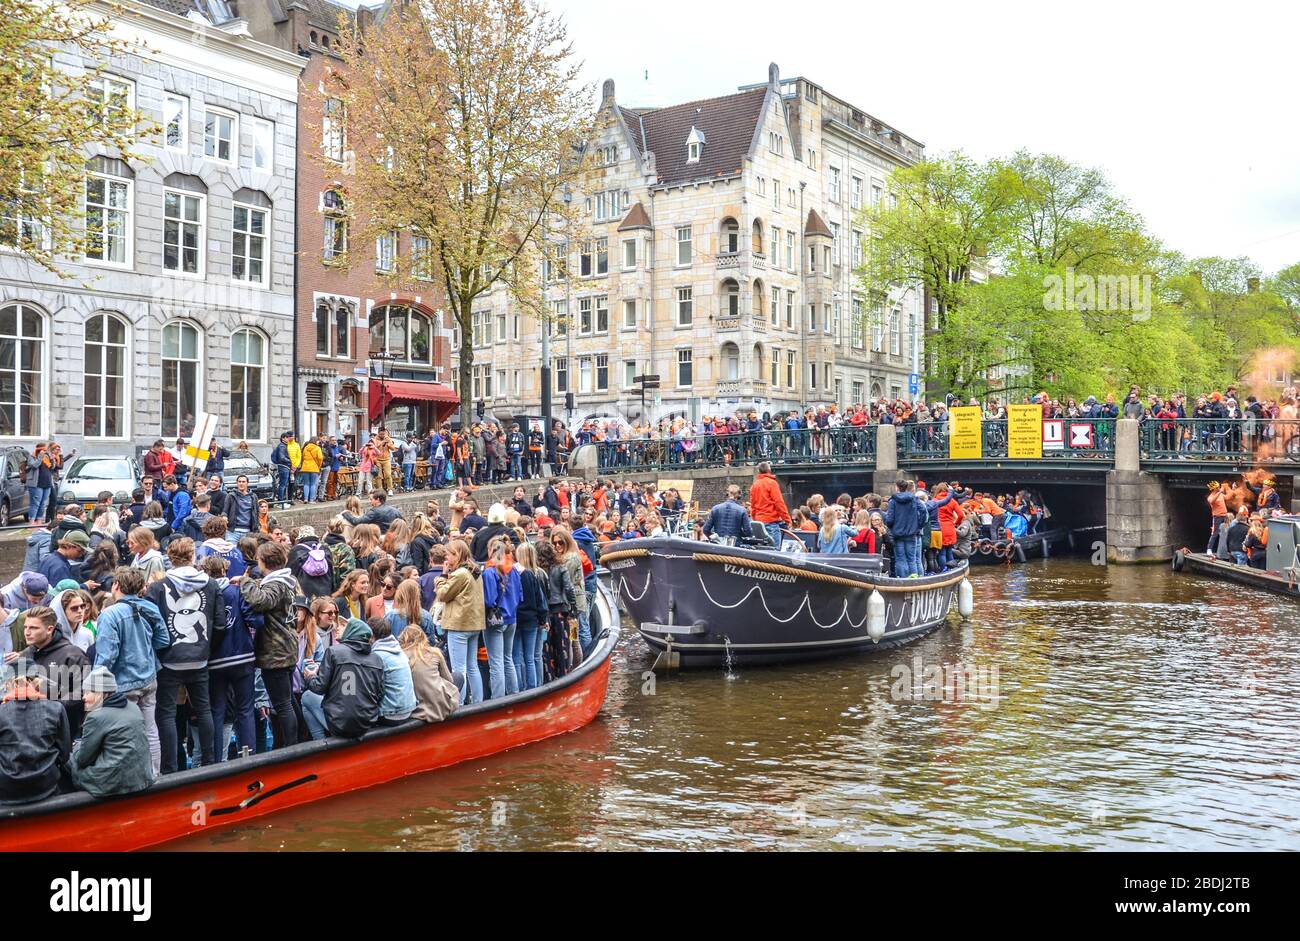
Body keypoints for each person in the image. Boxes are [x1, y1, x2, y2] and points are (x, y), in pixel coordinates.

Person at [146, 538, 223, 772]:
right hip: (200, 657)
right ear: (192, 557)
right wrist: (208, 649)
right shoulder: (211, 585)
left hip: (169, 659)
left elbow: (152, 624)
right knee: (204, 709)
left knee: (166, 714)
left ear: (171, 558)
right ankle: (209, 762)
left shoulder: (157, 588)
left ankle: (170, 768)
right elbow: (220, 625)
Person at [239, 541, 299, 750]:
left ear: (263, 561)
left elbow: (261, 601)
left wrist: (245, 582)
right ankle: (294, 742)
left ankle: (292, 749)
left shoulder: (276, 584)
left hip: (276, 653)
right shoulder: (288, 581)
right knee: (289, 701)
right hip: (287, 648)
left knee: (282, 704)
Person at [198, 555, 258, 762]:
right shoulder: (236, 591)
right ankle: (248, 757)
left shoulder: (203, 597)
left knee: (216, 710)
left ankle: (215, 760)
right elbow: (254, 619)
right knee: (245, 710)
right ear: (224, 570)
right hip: (242, 656)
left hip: (215, 661)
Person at [70, 667, 154, 798]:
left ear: (100, 693)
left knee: (68, 760)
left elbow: (83, 760)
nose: (84, 697)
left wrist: (76, 748)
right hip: (142, 777)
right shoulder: (133, 707)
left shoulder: (96, 717)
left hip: (113, 782)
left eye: (87, 692)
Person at [7, 604, 90, 738]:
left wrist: (49, 699)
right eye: (26, 627)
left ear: (49, 629)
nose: (27, 632)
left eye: (33, 628)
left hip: (61, 732)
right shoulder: (25, 655)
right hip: (27, 732)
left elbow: (83, 697)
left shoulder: (73, 655)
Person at [0, 661, 71, 805]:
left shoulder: (1, 711)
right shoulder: (55, 708)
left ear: (9, 683)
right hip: (46, 786)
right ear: (36, 681)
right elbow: (65, 754)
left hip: (7, 789)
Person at [301, 619, 385, 739]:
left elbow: (319, 688)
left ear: (351, 631)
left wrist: (310, 676)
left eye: (345, 626)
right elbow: (380, 693)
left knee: (306, 697)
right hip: (367, 721)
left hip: (339, 722)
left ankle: (320, 743)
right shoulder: (377, 659)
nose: (339, 628)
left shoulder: (334, 652)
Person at [436, 540, 486, 705]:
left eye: (449, 554)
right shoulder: (475, 571)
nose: (447, 557)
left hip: (459, 625)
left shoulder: (460, 574)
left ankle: (461, 704)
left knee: (459, 670)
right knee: (472, 666)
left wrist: (442, 576)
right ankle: (478, 702)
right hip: (474, 624)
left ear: (457, 555)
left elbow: (442, 594)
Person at [481, 537, 521, 699]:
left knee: (495, 663)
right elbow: (520, 595)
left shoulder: (489, 572)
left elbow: (490, 600)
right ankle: (514, 694)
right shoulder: (514, 571)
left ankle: (498, 700)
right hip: (512, 618)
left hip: (496, 621)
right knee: (507, 658)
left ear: (491, 551)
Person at [398, 627, 460, 722]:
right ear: (423, 637)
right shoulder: (435, 652)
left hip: (418, 708)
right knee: (458, 677)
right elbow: (449, 680)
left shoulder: (402, 656)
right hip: (441, 705)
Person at [513, 541, 550, 691]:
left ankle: (521, 689)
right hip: (534, 618)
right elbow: (542, 598)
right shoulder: (539, 574)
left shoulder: (514, 574)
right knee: (533, 656)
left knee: (519, 657)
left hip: (518, 618)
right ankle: (536, 687)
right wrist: (544, 618)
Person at [368, 618, 416, 725]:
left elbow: (372, 690)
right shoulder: (398, 650)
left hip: (391, 714)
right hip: (409, 709)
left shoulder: (376, 656)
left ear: (371, 636)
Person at [884, 478, 924, 578]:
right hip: (911, 533)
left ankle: (902, 580)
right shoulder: (914, 499)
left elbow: (889, 519)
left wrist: (891, 526)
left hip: (897, 534)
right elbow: (923, 510)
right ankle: (914, 580)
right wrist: (919, 524)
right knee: (912, 559)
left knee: (900, 559)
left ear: (897, 487)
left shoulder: (893, 501)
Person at [750, 462, 791, 549]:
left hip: (759, 523)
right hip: (771, 522)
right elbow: (779, 502)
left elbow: (753, 505)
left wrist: (755, 518)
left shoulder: (755, 485)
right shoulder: (772, 483)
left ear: (759, 471)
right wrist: (787, 520)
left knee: (761, 550)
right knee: (774, 551)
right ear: (769, 470)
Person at [288, 524, 334, 600]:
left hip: (305, 593)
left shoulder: (297, 550)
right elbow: (332, 571)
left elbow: (291, 573)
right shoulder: (325, 549)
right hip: (325, 591)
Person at [385, 580, 437, 646]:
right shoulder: (426, 616)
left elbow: (383, 639)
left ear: (400, 594)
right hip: (418, 654)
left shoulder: (391, 615)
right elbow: (431, 642)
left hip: (396, 653)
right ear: (418, 594)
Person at [1206, 481, 1229, 557]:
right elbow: (1212, 501)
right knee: (1215, 533)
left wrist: (1228, 488)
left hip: (1225, 516)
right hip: (1217, 516)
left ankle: (1227, 549)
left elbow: (1228, 497)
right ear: (1214, 489)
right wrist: (1220, 492)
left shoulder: (1221, 494)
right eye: (1217, 487)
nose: (1219, 488)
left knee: (1227, 531)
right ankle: (1209, 549)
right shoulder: (1210, 497)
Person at [299, 436, 324, 503]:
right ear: (315, 441)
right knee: (313, 484)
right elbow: (320, 458)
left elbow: (303, 457)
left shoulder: (306, 447)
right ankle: (311, 500)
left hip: (305, 467)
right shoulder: (317, 448)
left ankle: (305, 499)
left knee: (306, 484)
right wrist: (318, 466)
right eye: (318, 440)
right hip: (314, 468)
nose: (319, 442)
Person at [271, 432, 294, 503]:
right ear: (283, 438)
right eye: (286, 437)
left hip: (284, 467)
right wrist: (290, 461)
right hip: (284, 467)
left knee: (283, 484)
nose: (288, 439)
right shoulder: (282, 446)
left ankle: (281, 500)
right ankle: (281, 501)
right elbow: (282, 458)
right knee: (283, 484)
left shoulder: (283, 445)